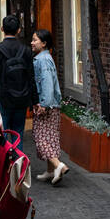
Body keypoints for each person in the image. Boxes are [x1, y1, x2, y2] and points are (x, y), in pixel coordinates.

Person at [0, 14, 37, 143]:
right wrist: (34, 100)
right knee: (18, 134)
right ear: (19, 30)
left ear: (2, 29)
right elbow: (31, 77)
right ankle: (18, 161)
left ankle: (4, 162)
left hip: (2, 99)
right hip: (22, 99)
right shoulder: (26, 50)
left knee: (1, 134)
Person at [30, 28, 68, 184]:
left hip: (47, 105)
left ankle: (59, 166)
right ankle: (51, 170)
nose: (32, 43)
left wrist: (44, 104)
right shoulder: (46, 57)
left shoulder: (42, 60)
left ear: (44, 43)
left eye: (35, 40)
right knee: (50, 137)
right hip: (53, 104)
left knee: (40, 137)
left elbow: (46, 83)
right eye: (32, 40)